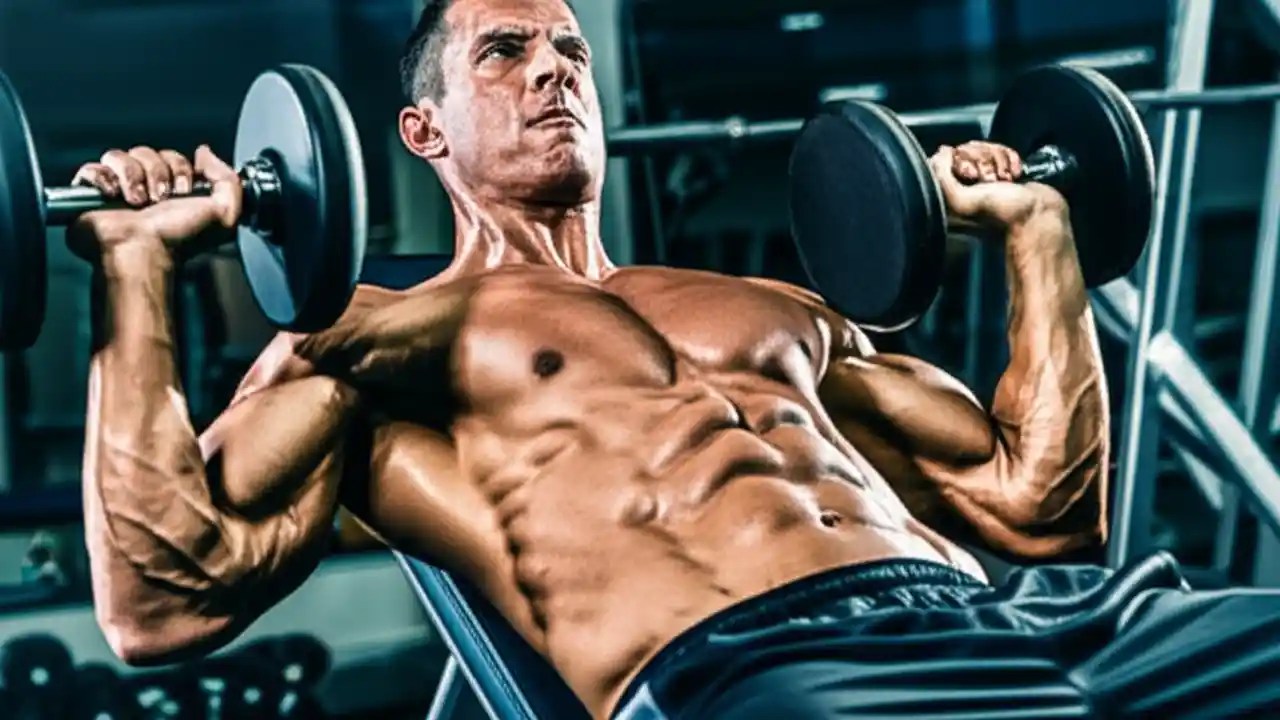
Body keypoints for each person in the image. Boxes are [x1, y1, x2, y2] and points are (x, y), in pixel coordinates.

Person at [67, 0, 1280, 718]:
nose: (553, 68)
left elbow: (1041, 510)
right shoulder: (372, 339)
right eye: (502, 53)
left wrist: (1037, 239)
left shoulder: (765, 305)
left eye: (568, 52)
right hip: (768, 672)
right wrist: (134, 270)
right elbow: (159, 601)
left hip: (1017, 616)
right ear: (422, 129)